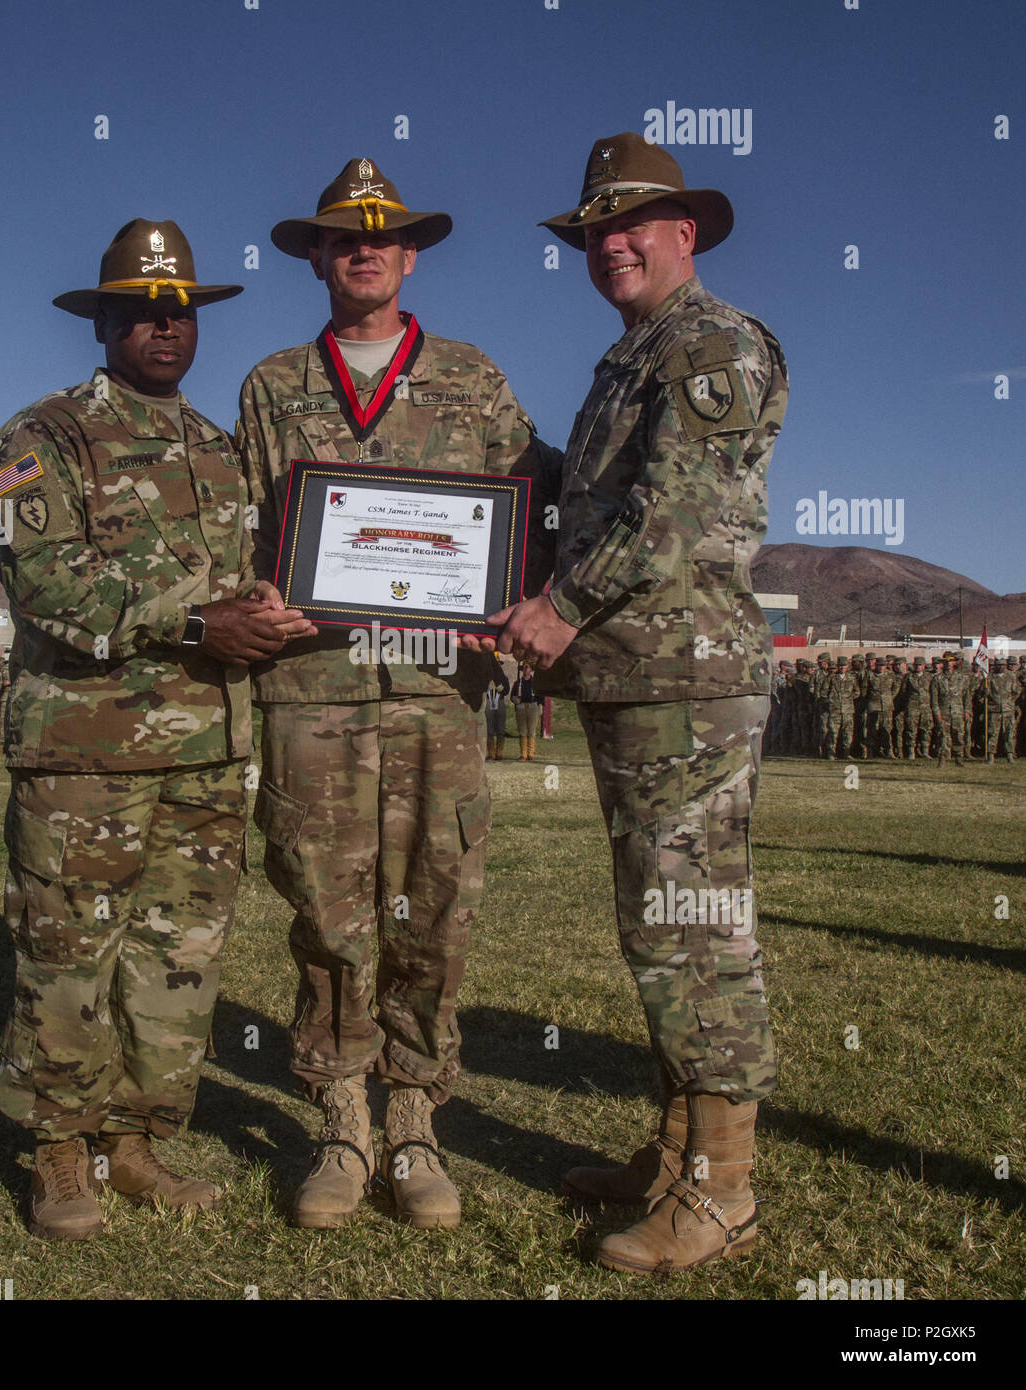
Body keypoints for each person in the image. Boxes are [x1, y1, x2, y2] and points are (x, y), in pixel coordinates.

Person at [486, 132, 788, 1271]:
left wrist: (558, 605)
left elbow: (671, 509)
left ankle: (723, 1189)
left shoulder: (710, 341)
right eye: (592, 230)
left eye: (629, 225)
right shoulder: (633, 358)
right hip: (641, 680)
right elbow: (592, 494)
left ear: (684, 232)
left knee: (697, 928)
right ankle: (674, 1155)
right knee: (660, 925)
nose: (608, 244)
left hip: (689, 682)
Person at [0, 217, 313, 1241]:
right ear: (105, 321)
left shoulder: (219, 449)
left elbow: (253, 578)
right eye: (141, 310)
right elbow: (44, 585)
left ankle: (134, 1139)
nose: (163, 328)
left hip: (209, 754)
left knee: (179, 960)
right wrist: (197, 620)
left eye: (179, 311)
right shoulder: (37, 439)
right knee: (69, 952)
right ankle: (57, 1152)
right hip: (88, 755)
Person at [237, 157, 551, 1230]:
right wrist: (254, 595)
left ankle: (414, 1116)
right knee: (325, 910)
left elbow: (532, 510)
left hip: (436, 691)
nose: (363, 248)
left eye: (383, 235)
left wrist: (528, 605)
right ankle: (339, 1115)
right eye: (342, 236)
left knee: (433, 905)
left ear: (410, 255)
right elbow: (244, 527)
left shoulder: (471, 377)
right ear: (318, 257)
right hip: (312, 689)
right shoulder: (274, 386)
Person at [510, 663, 543, 760]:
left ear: (531, 670)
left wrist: (540, 705)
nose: (525, 669)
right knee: (522, 731)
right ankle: (523, 754)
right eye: (524, 668)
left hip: (532, 707)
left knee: (531, 731)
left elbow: (540, 696)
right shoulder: (517, 683)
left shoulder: (535, 683)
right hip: (521, 708)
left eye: (527, 667)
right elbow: (512, 695)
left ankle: (531, 753)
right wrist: (515, 699)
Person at [484, 659, 509, 760]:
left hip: (499, 701)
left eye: (498, 664)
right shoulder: (486, 677)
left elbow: (507, 690)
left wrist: (502, 690)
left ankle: (499, 753)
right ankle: (491, 753)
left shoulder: (504, 678)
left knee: (500, 729)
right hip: (489, 701)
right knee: (489, 729)